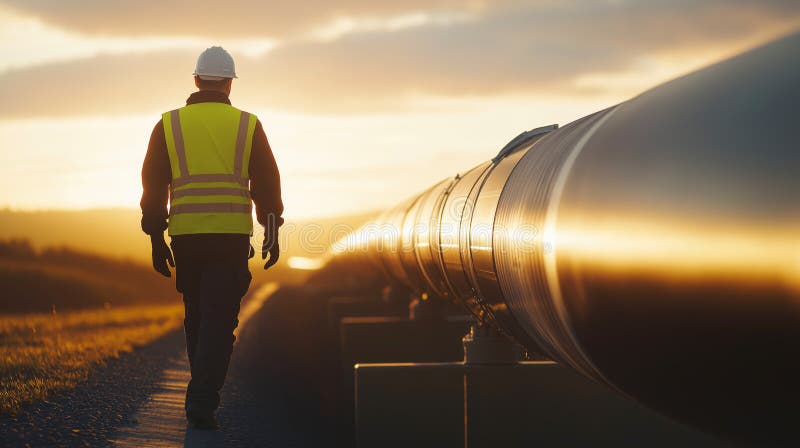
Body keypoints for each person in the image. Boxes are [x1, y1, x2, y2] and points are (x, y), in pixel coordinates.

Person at [139, 46, 283, 430]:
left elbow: (152, 185)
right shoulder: (248, 125)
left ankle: (200, 394)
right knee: (219, 322)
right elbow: (267, 180)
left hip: (187, 239)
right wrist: (271, 226)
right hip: (229, 238)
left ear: (197, 80)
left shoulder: (168, 124)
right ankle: (202, 399)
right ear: (230, 85)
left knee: (199, 318)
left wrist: (155, 236)